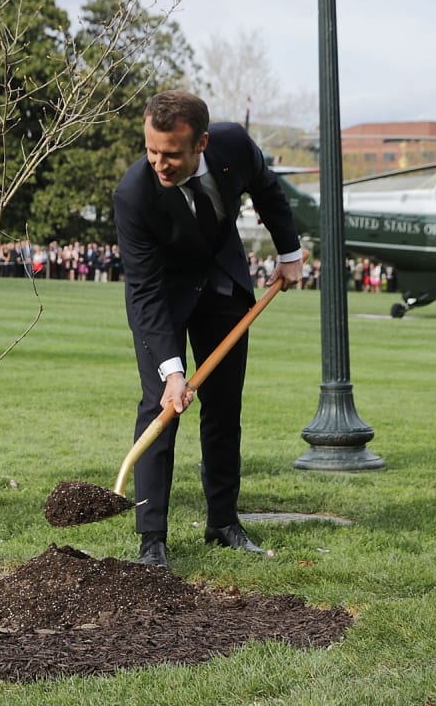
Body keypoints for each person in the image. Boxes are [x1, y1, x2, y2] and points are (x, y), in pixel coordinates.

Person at [113, 91, 302, 568]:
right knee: (161, 404)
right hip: (166, 298)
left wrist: (290, 254)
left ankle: (222, 523)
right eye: (152, 150)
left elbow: (267, 189)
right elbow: (145, 291)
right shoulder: (133, 193)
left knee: (223, 408)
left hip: (221, 282)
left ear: (201, 143)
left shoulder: (233, 145)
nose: (159, 162)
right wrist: (172, 372)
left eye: (172, 153)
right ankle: (151, 539)